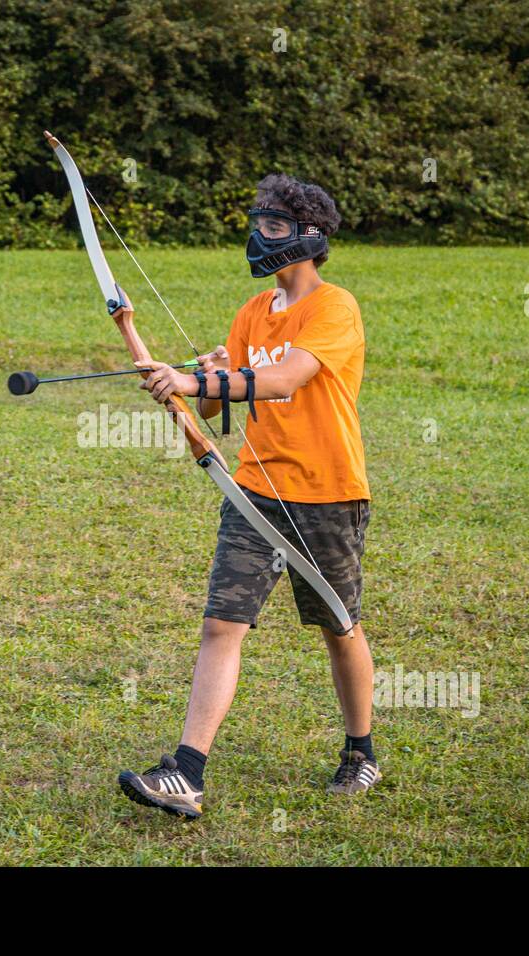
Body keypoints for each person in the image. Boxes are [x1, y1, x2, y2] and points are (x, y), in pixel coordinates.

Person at [117, 173, 376, 819]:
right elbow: (209, 402)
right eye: (258, 223)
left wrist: (211, 375)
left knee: (339, 628)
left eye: (276, 227)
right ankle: (187, 773)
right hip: (255, 492)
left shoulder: (334, 308)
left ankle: (360, 751)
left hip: (326, 494)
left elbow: (285, 379)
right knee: (220, 625)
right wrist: (185, 379)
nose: (261, 237)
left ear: (310, 238)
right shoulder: (252, 313)